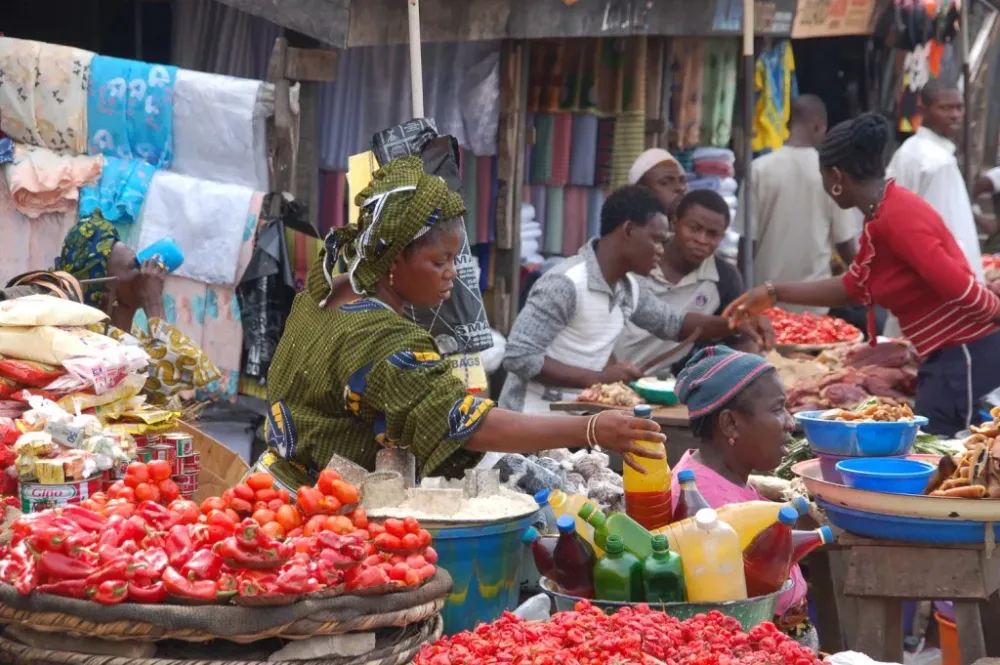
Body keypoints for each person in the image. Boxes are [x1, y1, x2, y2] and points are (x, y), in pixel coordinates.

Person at [263, 156, 666, 487]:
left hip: (269, 485)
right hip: (315, 509)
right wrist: (591, 430)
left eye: (454, 259)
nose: (451, 274)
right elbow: (464, 423)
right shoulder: (384, 340)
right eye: (438, 261)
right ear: (394, 257)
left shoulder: (322, 291)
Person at [724, 112, 1000, 437]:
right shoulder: (883, 214)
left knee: (939, 455)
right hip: (948, 356)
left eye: (824, 178)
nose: (826, 187)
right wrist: (773, 293)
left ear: (837, 176)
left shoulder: (896, 217)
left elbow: (958, 286)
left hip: (964, 355)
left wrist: (996, 312)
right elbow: (853, 286)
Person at [500, 186, 773, 414]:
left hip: (578, 424)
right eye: (656, 240)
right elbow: (519, 356)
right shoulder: (565, 283)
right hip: (529, 422)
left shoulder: (629, 286)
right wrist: (599, 379)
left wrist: (736, 322)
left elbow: (674, 324)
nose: (660, 250)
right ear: (628, 230)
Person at [672, 345, 811, 641]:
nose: (791, 421)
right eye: (777, 409)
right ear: (730, 423)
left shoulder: (723, 476)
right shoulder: (705, 512)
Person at [5, 214, 222, 402]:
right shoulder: (89, 336)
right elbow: (177, 372)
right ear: (106, 286)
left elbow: (193, 368)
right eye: (133, 266)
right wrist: (153, 303)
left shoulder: (130, 332)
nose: (145, 273)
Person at [735, 94, 857, 314]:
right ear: (820, 127)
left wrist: (742, 296)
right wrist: (867, 280)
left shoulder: (759, 169)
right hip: (814, 303)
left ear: (788, 124)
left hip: (765, 302)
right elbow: (845, 243)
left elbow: (746, 245)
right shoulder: (833, 174)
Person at [615, 190, 753, 377]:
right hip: (606, 375)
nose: (701, 240)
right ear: (674, 223)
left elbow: (739, 341)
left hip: (666, 385)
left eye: (713, 234)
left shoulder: (725, 279)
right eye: (694, 228)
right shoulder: (640, 259)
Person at [887, 79, 984, 278]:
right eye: (946, 108)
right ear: (923, 110)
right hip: (943, 283)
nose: (955, 115)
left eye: (959, 108)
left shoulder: (910, 151)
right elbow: (950, 232)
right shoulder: (936, 162)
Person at [627, 148, 688, 220]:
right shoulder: (629, 230)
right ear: (641, 190)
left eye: (682, 181)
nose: (681, 188)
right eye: (665, 182)